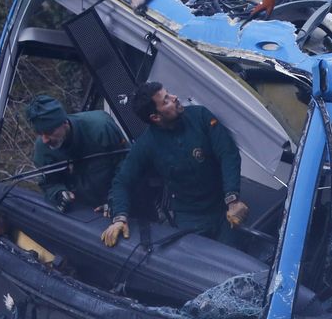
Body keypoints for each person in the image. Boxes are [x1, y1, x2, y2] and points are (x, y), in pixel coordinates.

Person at [102, 82, 249, 247]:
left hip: (224, 208)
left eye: (169, 93)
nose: (175, 98)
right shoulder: (146, 145)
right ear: (156, 117)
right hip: (190, 217)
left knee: (235, 258)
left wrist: (232, 199)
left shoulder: (200, 116)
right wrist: (119, 218)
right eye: (166, 101)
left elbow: (228, 154)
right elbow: (122, 181)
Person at [25, 94, 127, 212]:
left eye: (49, 132)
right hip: (82, 214)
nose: (45, 139)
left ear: (64, 122)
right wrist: (58, 193)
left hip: (124, 205)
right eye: (40, 133)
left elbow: (127, 166)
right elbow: (48, 183)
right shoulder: (43, 149)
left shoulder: (101, 128)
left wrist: (116, 200)